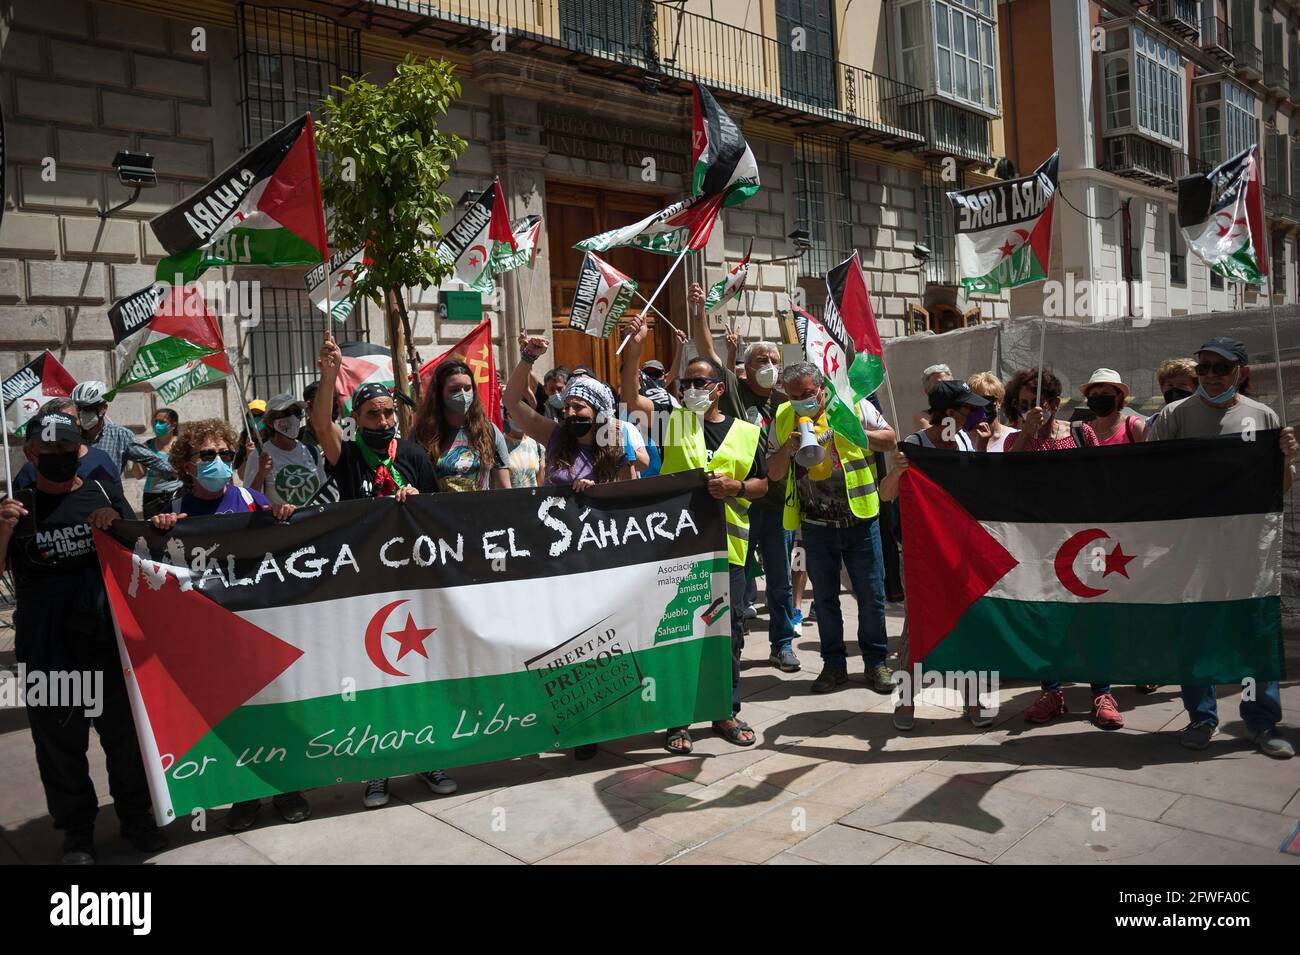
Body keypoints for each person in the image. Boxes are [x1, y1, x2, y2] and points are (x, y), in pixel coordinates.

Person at [0, 411, 169, 863]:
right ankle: (77, 835)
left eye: (68, 450)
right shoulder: (17, 506)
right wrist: (3, 531)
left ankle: (136, 819)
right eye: (48, 452)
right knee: (60, 750)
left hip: (104, 644)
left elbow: (141, 552)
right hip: (48, 649)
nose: (59, 458)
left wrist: (117, 520)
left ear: (81, 450)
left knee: (124, 742)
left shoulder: (99, 491)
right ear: (32, 454)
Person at [309, 331, 456, 803]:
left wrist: (416, 502)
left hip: (414, 585)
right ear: (356, 419)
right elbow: (318, 424)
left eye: (389, 412)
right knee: (374, 681)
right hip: (366, 586)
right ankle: (379, 768)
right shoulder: (348, 456)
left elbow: (438, 514)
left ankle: (429, 759)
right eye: (373, 413)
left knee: (420, 676)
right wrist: (330, 376)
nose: (383, 420)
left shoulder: (412, 455)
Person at [146, 418, 306, 828]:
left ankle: (289, 789)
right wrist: (160, 529)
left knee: (274, 711)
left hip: (257, 625)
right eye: (207, 455)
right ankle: (245, 796)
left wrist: (282, 514)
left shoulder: (249, 501)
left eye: (223, 454)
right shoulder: (176, 511)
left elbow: (278, 534)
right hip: (211, 635)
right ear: (186, 464)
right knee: (235, 717)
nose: (217, 461)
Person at [623, 313, 766, 753]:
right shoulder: (673, 423)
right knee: (677, 633)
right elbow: (631, 400)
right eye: (686, 382)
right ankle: (677, 719)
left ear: (719, 388)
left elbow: (763, 484)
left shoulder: (745, 432)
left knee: (729, 634)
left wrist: (737, 487)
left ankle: (725, 709)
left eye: (700, 383)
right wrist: (633, 349)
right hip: (680, 552)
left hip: (731, 551)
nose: (691, 389)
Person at [1149, 337, 1296, 759]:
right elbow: (1147, 479)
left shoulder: (1263, 416)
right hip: (1191, 550)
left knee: (1253, 634)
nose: (1211, 376)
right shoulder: (1175, 416)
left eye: (1221, 368)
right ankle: (1202, 718)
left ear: (1239, 373)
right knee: (1195, 634)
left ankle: (1262, 722)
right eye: (1205, 368)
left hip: (1247, 550)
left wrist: (1286, 460)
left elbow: (1279, 489)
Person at [1003, 368, 1122, 729]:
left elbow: (1102, 479)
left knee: (1091, 617)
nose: (1032, 408)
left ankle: (1102, 692)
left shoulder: (1079, 432)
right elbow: (1004, 477)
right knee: (1046, 620)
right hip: (1038, 545)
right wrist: (1026, 433)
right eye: (1023, 404)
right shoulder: (1014, 441)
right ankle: (1052, 692)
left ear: (1054, 402)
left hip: (1084, 540)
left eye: (1038, 401)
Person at [769, 362, 897, 694]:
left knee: (872, 596)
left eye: (808, 395)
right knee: (825, 600)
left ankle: (876, 663)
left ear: (823, 388)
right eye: (794, 396)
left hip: (860, 518)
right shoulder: (783, 416)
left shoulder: (853, 404)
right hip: (815, 524)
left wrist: (854, 433)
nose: (801, 401)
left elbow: (889, 439)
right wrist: (788, 448)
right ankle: (834, 666)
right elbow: (772, 471)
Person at [689, 283, 797, 670]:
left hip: (777, 503)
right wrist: (699, 310)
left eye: (773, 359)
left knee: (781, 583)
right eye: (760, 360)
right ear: (745, 368)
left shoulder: (785, 400)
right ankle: (728, 644)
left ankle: (783, 643)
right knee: (734, 582)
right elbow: (708, 353)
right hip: (740, 508)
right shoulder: (734, 394)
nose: (768, 365)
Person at [880, 381, 991, 729]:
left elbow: (975, 491)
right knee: (916, 627)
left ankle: (972, 699)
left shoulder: (963, 441)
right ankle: (905, 701)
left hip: (960, 549)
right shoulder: (915, 444)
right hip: (922, 552)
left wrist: (982, 450)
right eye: (966, 409)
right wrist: (897, 469)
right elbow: (885, 496)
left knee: (968, 622)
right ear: (946, 413)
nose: (973, 415)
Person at [506, 339, 640, 490]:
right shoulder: (554, 435)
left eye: (578, 407)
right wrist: (528, 357)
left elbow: (628, 494)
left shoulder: (617, 444)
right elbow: (511, 401)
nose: (570, 413)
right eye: (567, 406)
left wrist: (596, 490)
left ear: (597, 411)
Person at [414, 359, 512, 492]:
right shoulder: (422, 433)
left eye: (467, 388)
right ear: (439, 393)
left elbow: (504, 488)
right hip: (437, 512)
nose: (463, 395)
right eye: (454, 390)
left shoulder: (489, 431)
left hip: (481, 511)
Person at [68, 380, 176, 485]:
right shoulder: (69, 434)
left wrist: (177, 474)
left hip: (107, 498)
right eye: (79, 409)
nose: (82, 414)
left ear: (103, 408)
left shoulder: (120, 436)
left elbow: (151, 459)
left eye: (88, 409)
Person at [15, 398, 122, 492]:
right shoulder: (33, 469)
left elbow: (117, 501)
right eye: (64, 427)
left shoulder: (101, 459)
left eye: (73, 422)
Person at [242, 394, 327, 508]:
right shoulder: (259, 455)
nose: (293, 418)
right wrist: (261, 474)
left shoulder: (312, 451)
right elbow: (249, 501)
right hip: (280, 525)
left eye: (297, 413)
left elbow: (324, 493)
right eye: (286, 413)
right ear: (271, 422)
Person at [130, 407, 183, 517]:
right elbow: (138, 475)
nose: (157, 425)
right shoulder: (147, 446)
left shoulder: (181, 444)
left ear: (173, 425)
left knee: (179, 529)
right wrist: (136, 455)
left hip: (178, 494)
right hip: (152, 498)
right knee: (153, 531)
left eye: (162, 422)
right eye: (155, 422)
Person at [1081, 368, 1146, 446]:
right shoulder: (1083, 431)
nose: (1099, 398)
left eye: (1105, 394)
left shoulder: (1134, 427)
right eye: (1094, 394)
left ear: (1119, 397)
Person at [965, 372, 1018, 452]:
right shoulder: (961, 438)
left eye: (985, 400)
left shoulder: (1014, 438)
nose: (980, 407)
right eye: (974, 402)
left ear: (999, 402)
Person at [1147, 358, 1197, 430]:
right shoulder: (1152, 423)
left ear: (1196, 388)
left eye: (1182, 385)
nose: (1175, 389)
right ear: (1162, 389)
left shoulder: (1203, 418)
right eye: (1170, 385)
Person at [503, 403, 545, 488]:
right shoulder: (499, 445)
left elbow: (541, 483)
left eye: (523, 414)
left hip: (533, 499)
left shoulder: (538, 446)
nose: (519, 418)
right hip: (509, 500)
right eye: (514, 414)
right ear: (506, 417)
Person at [912, 363, 953, 433]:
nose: (944, 388)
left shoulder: (964, 411)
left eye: (947, 384)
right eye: (938, 386)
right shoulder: (924, 418)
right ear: (927, 391)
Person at [233, 398, 267, 475]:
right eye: (252, 415)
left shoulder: (274, 438)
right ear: (247, 418)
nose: (256, 418)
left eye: (260, 415)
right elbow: (242, 476)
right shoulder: (245, 440)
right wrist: (249, 456)